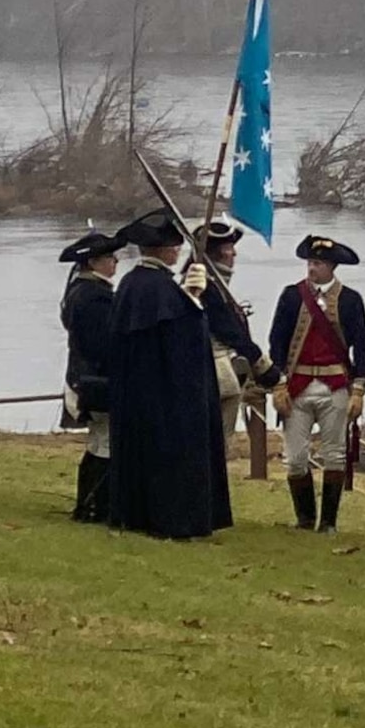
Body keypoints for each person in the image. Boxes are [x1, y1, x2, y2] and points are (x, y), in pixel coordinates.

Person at [105, 208, 233, 540]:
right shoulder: (162, 289)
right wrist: (195, 305)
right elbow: (184, 341)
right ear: (165, 250)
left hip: (137, 393)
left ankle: (136, 515)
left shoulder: (131, 284)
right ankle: (176, 521)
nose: (177, 253)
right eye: (174, 248)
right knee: (173, 459)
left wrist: (189, 296)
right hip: (169, 396)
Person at [266, 234, 365, 533]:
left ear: (332, 267)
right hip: (297, 386)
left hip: (335, 384)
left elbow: (362, 346)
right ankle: (305, 518)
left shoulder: (350, 299)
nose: (312, 269)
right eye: (311, 262)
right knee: (296, 457)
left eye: (319, 263)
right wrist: (279, 384)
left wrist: (359, 389)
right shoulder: (291, 295)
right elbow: (277, 342)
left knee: (334, 454)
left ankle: (328, 523)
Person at [189, 220, 278, 442]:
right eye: (228, 248)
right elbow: (229, 331)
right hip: (212, 372)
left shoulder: (214, 286)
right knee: (214, 443)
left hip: (220, 372)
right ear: (213, 253)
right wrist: (263, 366)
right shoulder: (203, 288)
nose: (234, 254)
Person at [58, 229, 123, 523]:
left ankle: (89, 504)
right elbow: (103, 347)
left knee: (99, 442)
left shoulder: (78, 292)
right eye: (110, 257)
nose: (116, 262)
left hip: (82, 378)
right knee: (105, 443)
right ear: (94, 263)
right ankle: (96, 505)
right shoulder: (95, 298)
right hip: (95, 381)